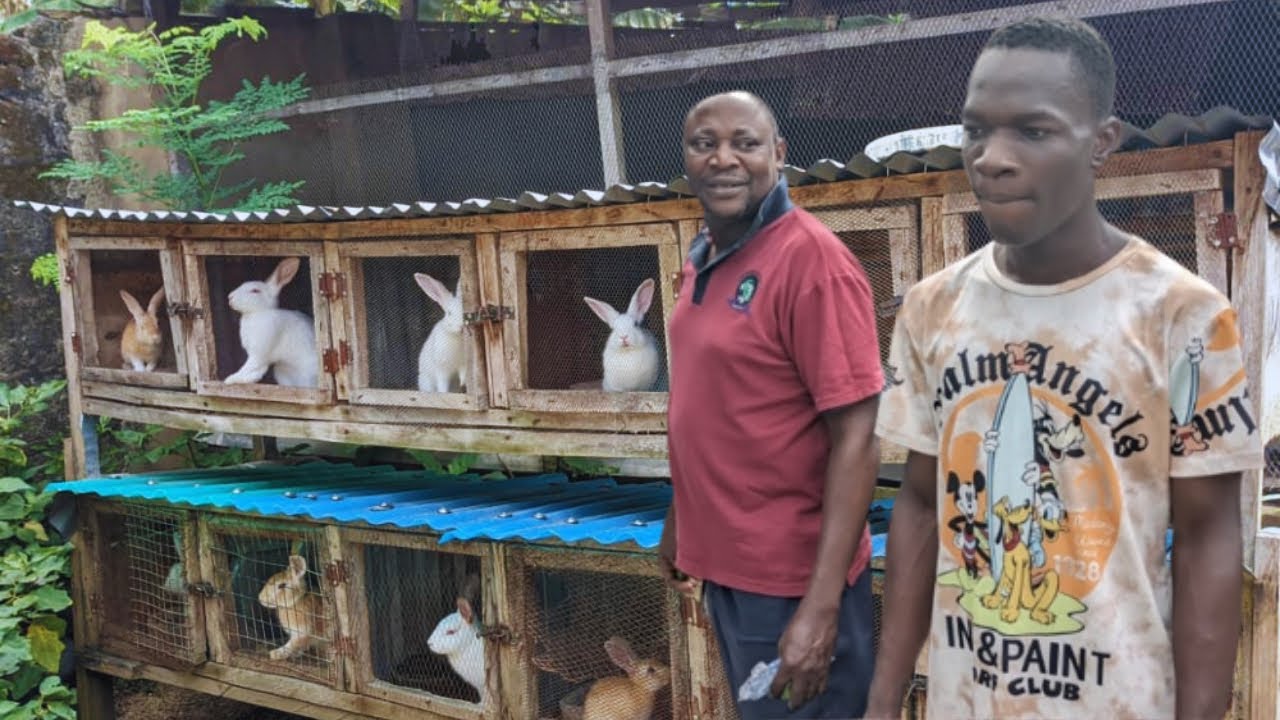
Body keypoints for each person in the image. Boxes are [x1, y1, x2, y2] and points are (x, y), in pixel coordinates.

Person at [865, 16, 1263, 719]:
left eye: (1034, 131)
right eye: (976, 129)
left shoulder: (1182, 317)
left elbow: (1208, 533)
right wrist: (882, 700)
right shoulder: (932, 310)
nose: (992, 156)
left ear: (1101, 142)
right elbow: (923, 503)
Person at [658, 90, 884, 718]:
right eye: (705, 144)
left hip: (791, 579)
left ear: (779, 155)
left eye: (745, 143)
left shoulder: (812, 263)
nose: (723, 159)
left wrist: (820, 608)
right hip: (729, 564)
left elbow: (859, 438)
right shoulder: (705, 254)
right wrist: (682, 516)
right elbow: (715, 402)